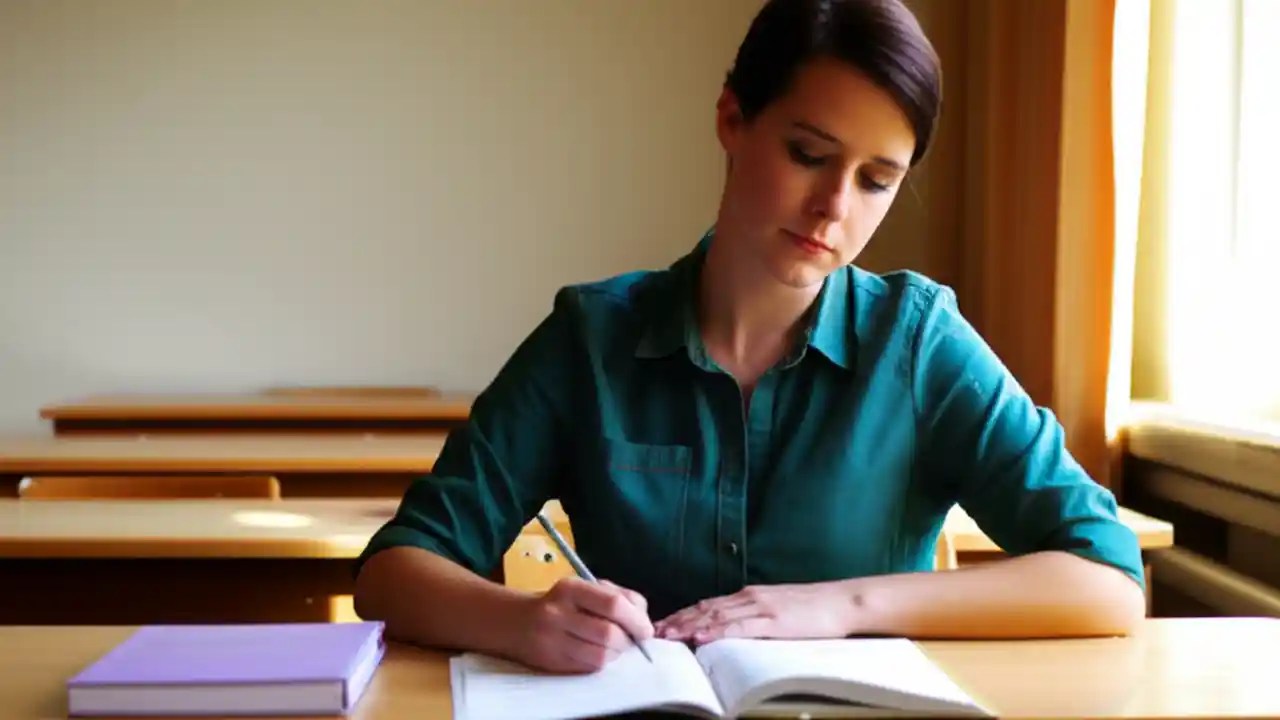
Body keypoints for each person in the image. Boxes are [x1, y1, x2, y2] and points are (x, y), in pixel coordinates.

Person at [354, 0, 1146, 675]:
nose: (834, 206)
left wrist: (844, 606)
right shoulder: (590, 340)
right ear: (733, 120)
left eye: (877, 180)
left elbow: (1108, 577)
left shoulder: (918, 344)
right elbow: (393, 572)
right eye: (809, 155)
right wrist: (523, 623)